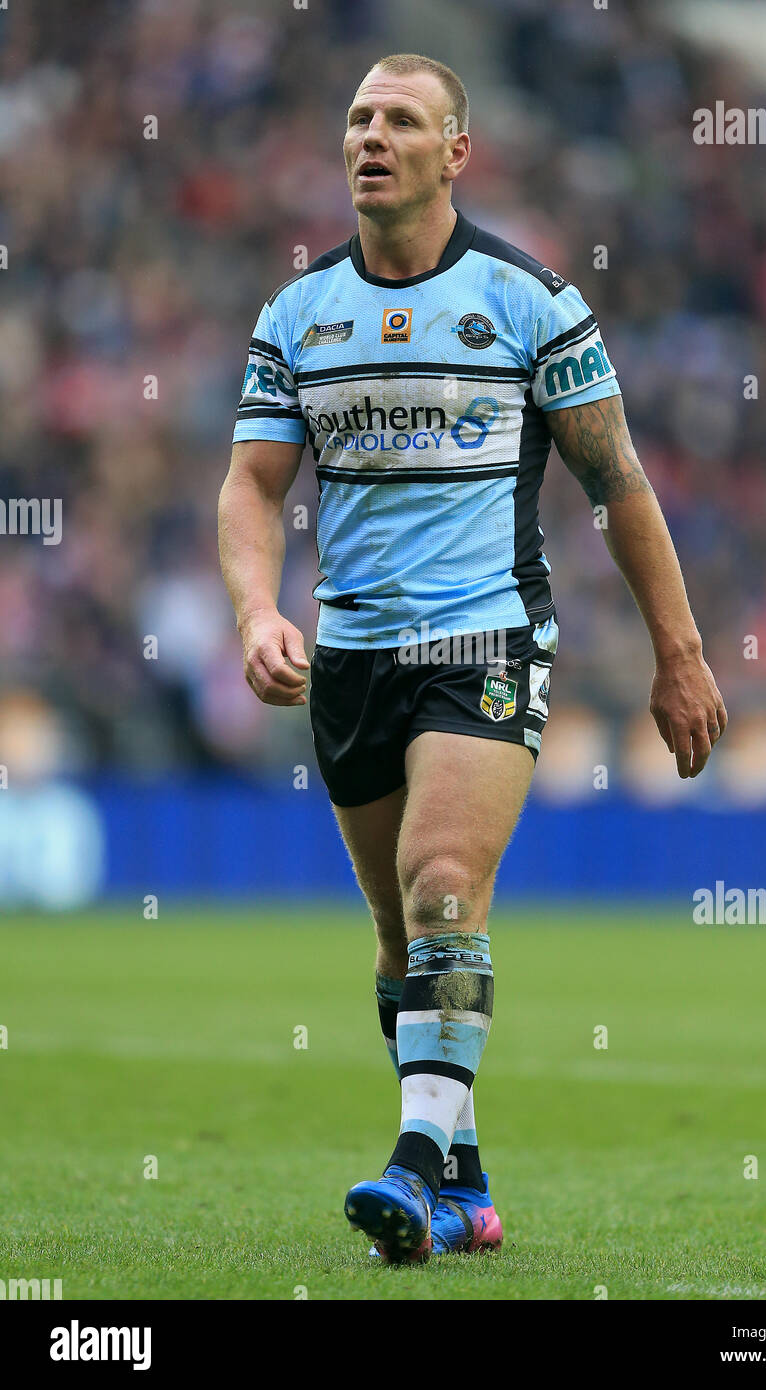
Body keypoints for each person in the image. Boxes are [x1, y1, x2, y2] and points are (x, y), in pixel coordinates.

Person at [218, 53, 727, 1263]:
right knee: (405, 944)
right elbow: (249, 485)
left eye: (400, 119)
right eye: (355, 117)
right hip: (347, 655)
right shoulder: (298, 316)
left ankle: (407, 1170)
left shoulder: (529, 301)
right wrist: (254, 610)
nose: (369, 136)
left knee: (446, 884)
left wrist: (680, 652)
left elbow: (617, 482)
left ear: (457, 153)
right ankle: (466, 1181)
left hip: (483, 633)